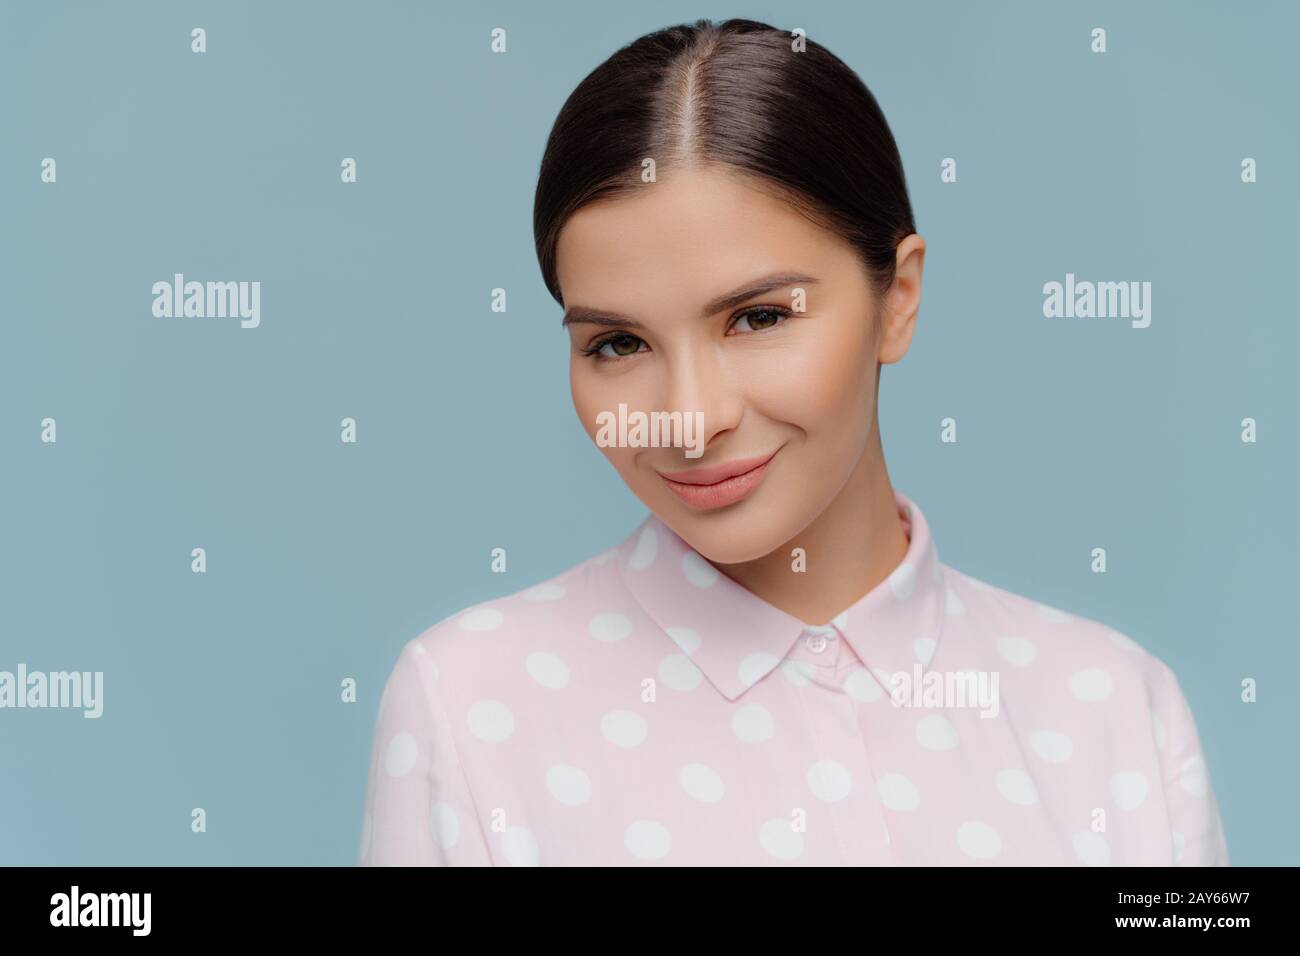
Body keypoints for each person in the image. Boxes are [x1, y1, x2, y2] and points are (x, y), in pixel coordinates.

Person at [358, 17, 1228, 866]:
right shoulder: (470, 704)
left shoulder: (1115, 710)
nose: (689, 418)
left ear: (899, 297)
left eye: (759, 317)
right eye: (617, 344)